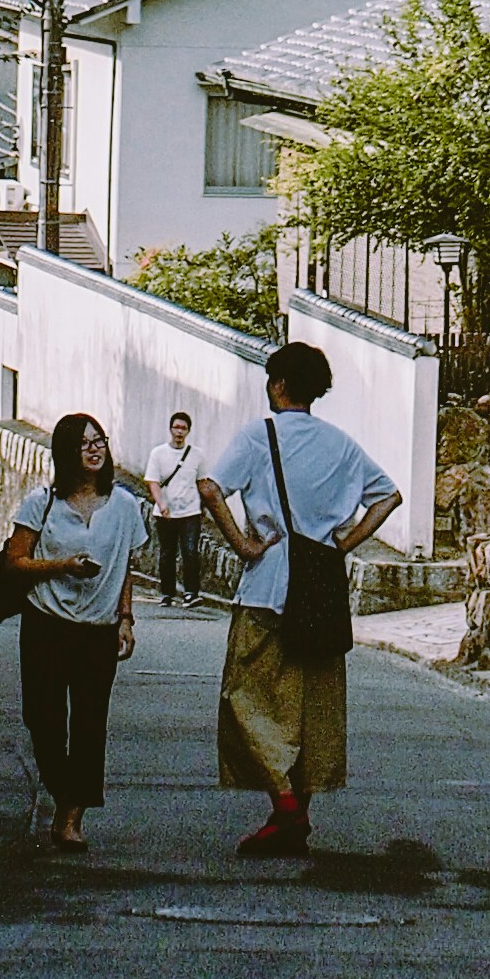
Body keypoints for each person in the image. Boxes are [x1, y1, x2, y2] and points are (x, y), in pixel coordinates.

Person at [201, 336, 400, 860]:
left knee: (247, 697)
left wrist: (244, 544)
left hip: (268, 585)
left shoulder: (258, 436)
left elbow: (210, 488)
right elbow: (388, 496)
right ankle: (296, 815)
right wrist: (344, 543)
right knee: (315, 706)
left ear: (280, 384)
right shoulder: (341, 444)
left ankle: (285, 806)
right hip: (322, 588)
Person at [0, 409, 141, 848]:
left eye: (99, 440)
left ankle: (70, 816)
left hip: (97, 630)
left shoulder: (124, 506)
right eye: (84, 443)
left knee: (88, 724)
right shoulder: (41, 504)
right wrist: (62, 565)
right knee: (41, 719)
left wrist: (126, 619)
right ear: (66, 452)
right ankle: (64, 789)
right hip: (46, 624)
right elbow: (14, 561)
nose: (94, 448)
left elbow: (126, 566)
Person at [146, 409, 206, 605]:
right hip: (165, 512)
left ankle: (191, 592)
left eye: (183, 428)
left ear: (188, 431)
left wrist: (204, 506)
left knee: (190, 551)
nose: (179, 432)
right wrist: (161, 504)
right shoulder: (158, 453)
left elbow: (203, 482)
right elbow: (153, 482)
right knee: (167, 553)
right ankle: (167, 593)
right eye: (176, 427)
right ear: (170, 429)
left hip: (190, 511)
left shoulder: (197, 455)